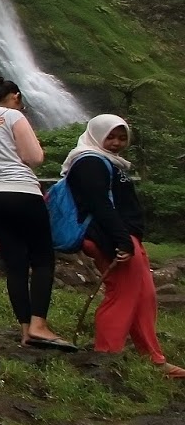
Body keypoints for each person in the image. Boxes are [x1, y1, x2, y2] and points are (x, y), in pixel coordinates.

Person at [0, 78, 74, 351]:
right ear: (14, 96)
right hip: (21, 191)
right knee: (42, 258)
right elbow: (35, 158)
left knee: (15, 261)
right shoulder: (12, 116)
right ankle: (39, 325)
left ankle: (24, 330)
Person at [68, 116, 184, 376]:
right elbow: (100, 205)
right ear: (97, 135)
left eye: (122, 138)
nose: (116, 143)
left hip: (122, 236)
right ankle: (105, 357)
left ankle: (154, 358)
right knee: (121, 296)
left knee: (144, 297)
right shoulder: (88, 161)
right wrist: (121, 240)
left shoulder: (108, 163)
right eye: (110, 137)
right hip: (109, 237)